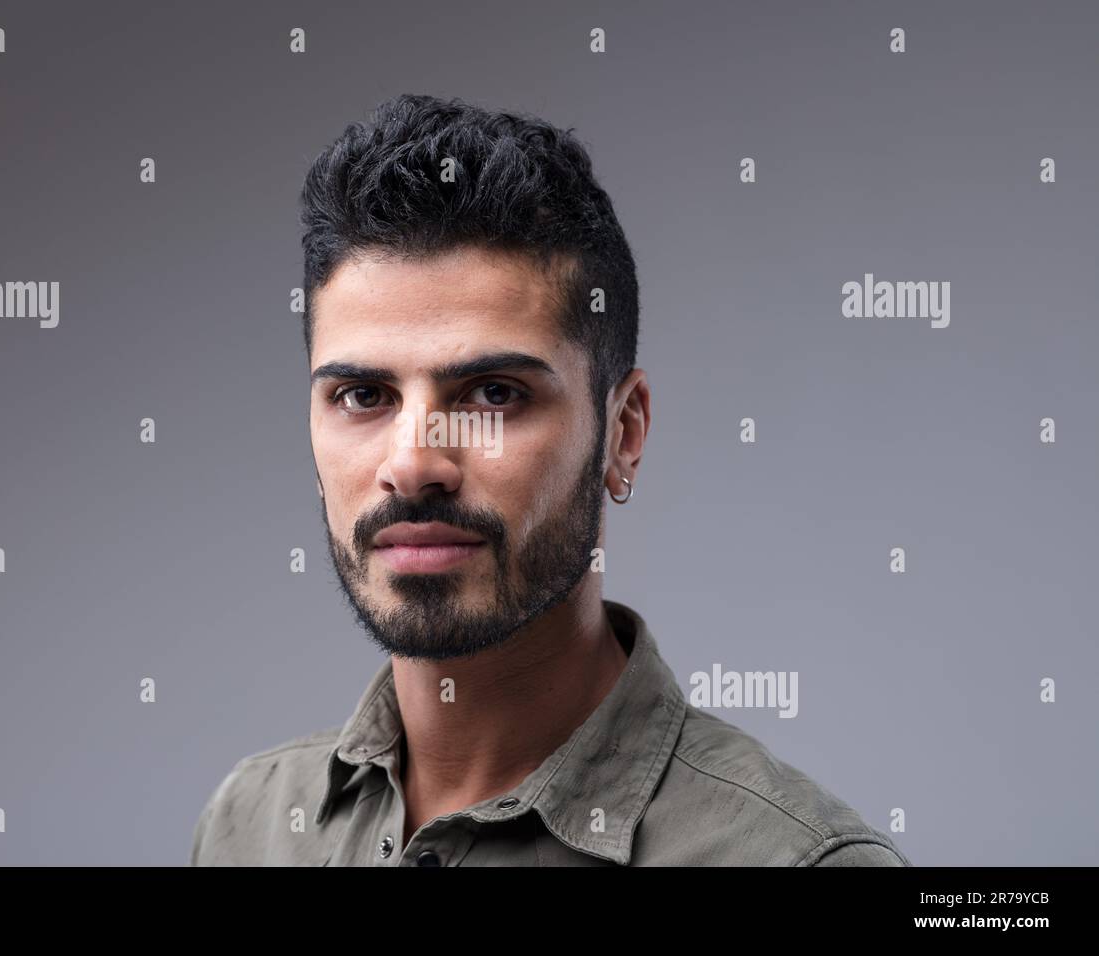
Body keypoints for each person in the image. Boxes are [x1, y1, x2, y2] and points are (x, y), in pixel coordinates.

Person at [191, 93, 909, 867]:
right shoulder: (252, 824)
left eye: (493, 394)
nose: (413, 464)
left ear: (623, 433)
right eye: (363, 396)